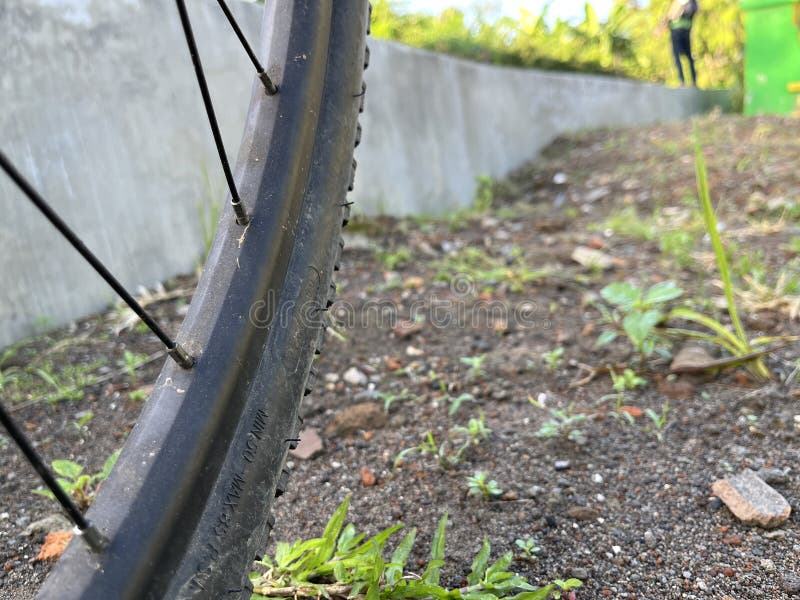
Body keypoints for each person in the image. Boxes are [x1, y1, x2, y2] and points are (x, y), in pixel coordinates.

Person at [666, 0, 698, 87]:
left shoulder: (684, 2)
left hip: (680, 31)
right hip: (681, 31)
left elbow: (671, 15)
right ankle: (688, 81)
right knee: (683, 56)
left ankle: (687, 81)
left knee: (681, 56)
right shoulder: (691, 3)